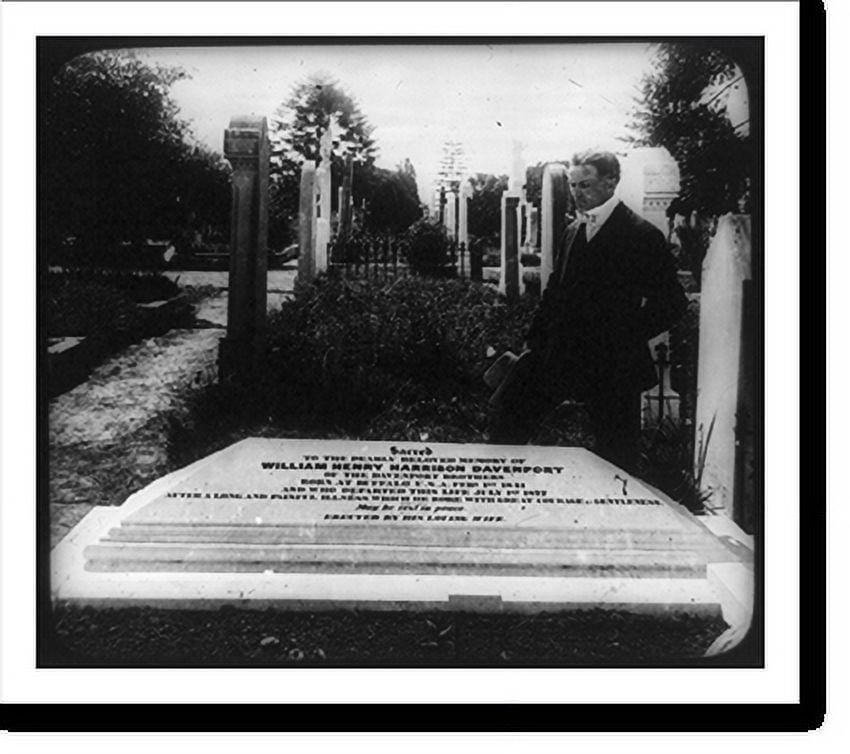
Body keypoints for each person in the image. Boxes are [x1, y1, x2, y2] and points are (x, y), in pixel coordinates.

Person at [489, 150, 687, 473]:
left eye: (586, 185)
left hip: (612, 366)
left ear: (611, 182)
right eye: (573, 185)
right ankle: (502, 489)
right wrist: (534, 344)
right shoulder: (572, 231)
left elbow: (672, 303)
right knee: (508, 418)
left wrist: (624, 334)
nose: (577, 194)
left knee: (617, 460)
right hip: (560, 355)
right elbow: (554, 292)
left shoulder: (642, 236)